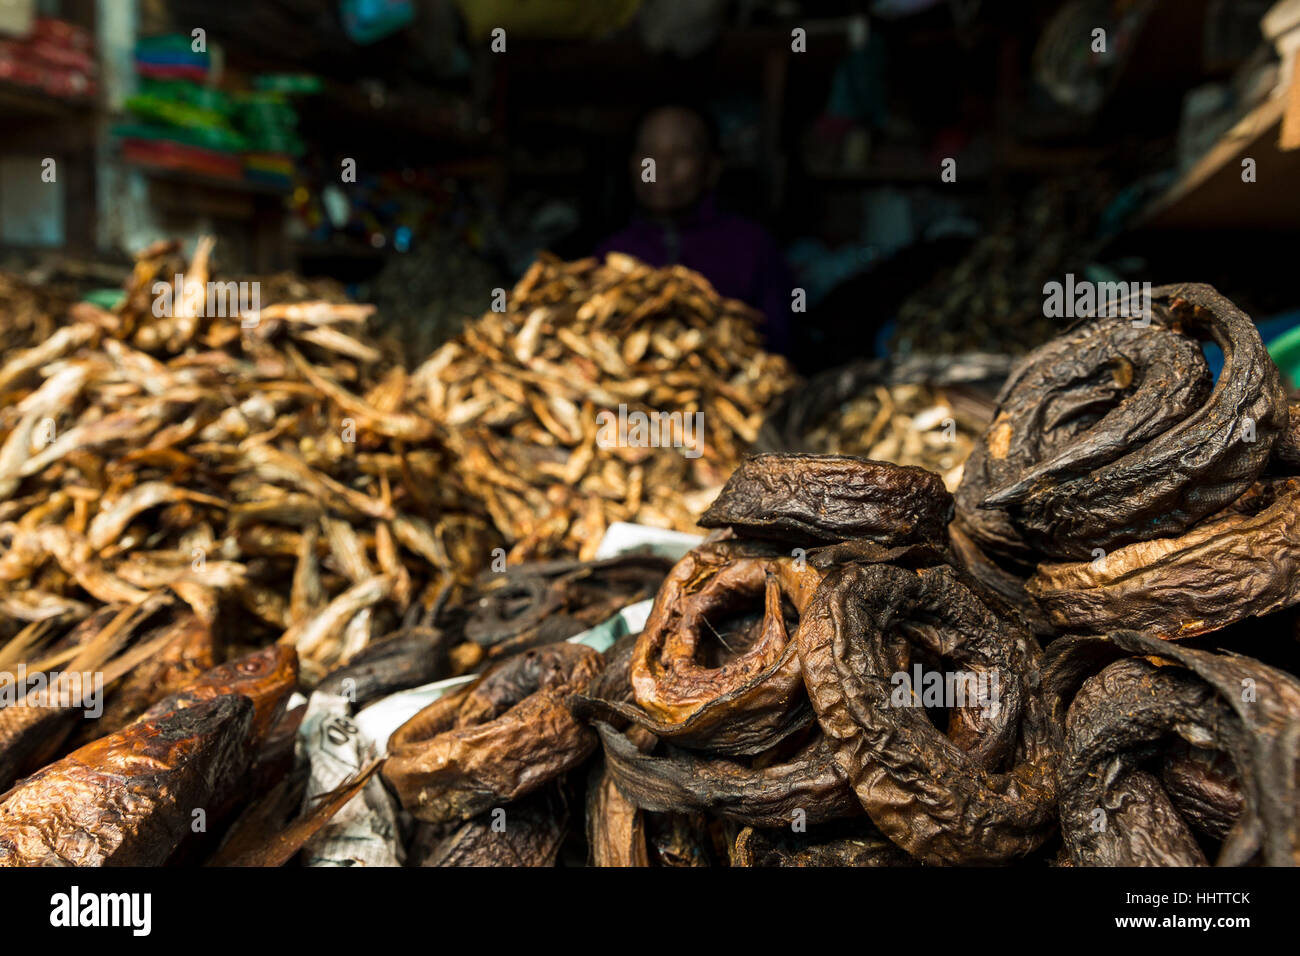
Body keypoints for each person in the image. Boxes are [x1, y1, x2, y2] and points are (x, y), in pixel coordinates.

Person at [596, 104, 795, 355]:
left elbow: (783, 343)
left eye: (681, 153)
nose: (662, 167)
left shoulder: (753, 248)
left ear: (712, 168)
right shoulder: (610, 253)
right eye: (649, 153)